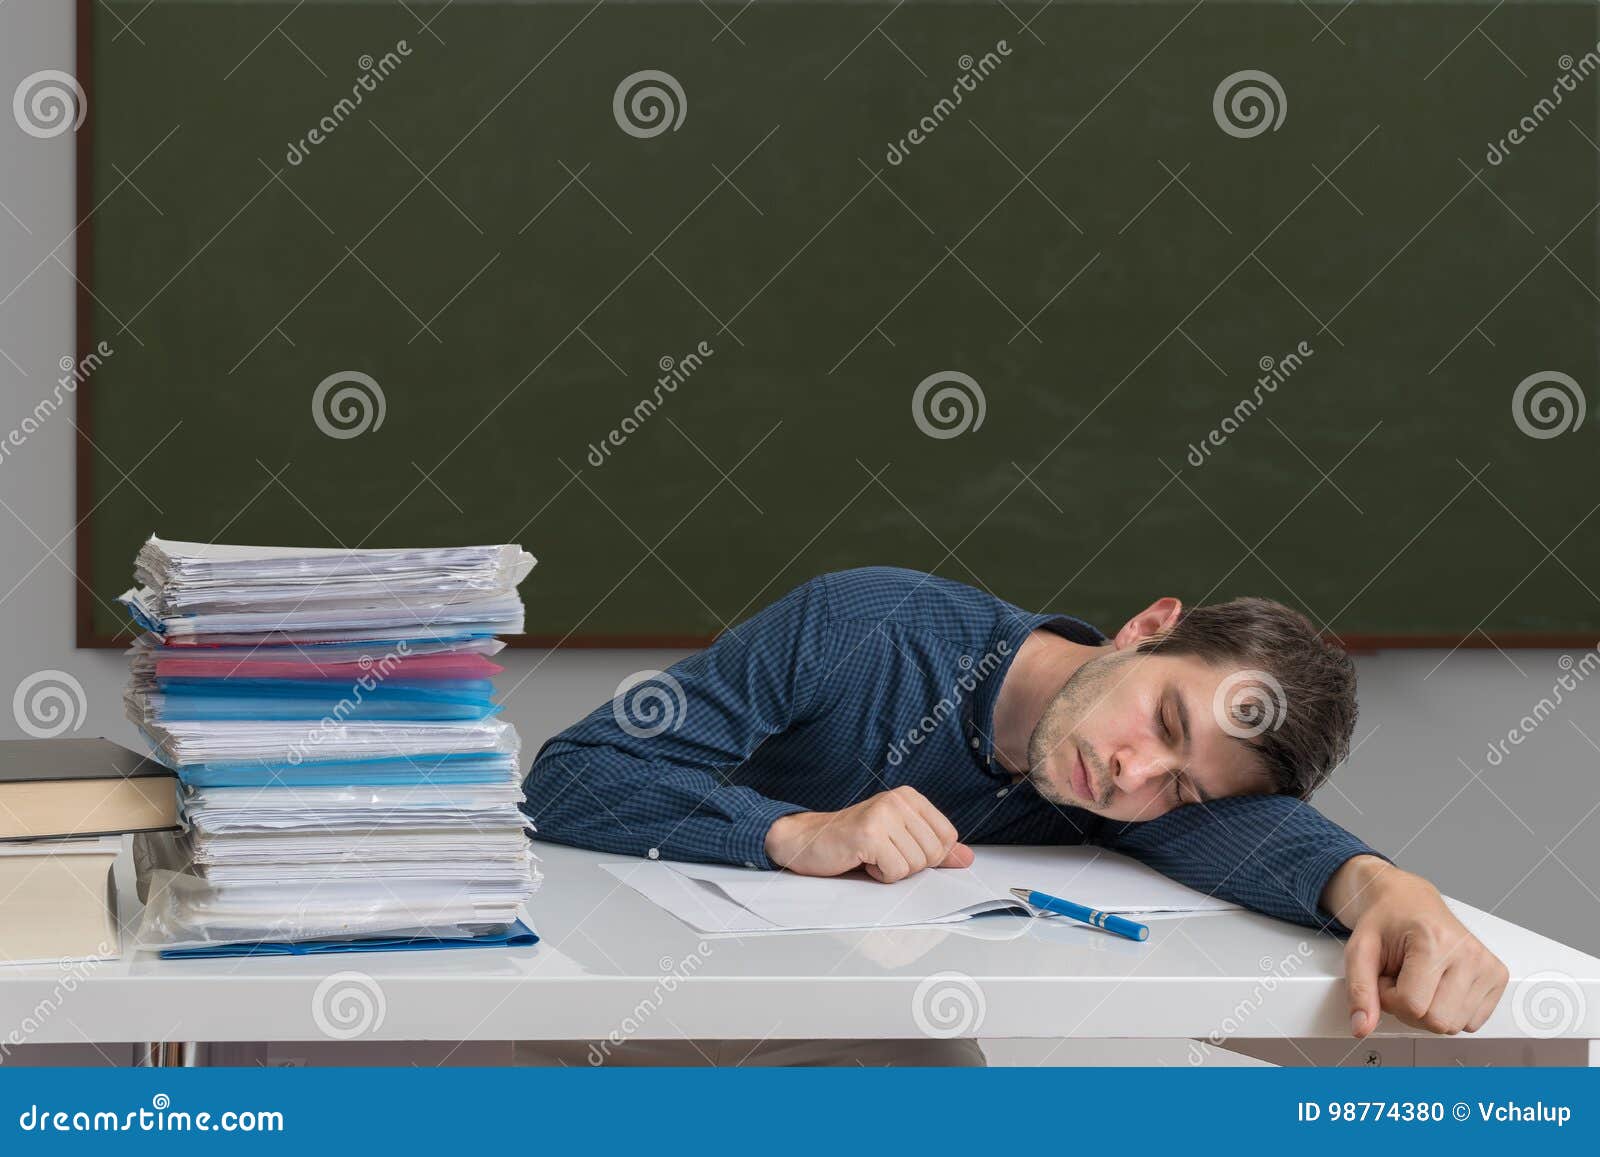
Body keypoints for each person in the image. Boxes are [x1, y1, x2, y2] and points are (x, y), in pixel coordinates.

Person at [518, 567, 1509, 1065]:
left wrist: (1386, 883)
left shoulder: (1121, 801)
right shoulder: (866, 624)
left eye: (1180, 785)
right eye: (1162, 716)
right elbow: (575, 773)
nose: (1130, 772)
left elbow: (1267, 843)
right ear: (1146, 628)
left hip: (859, 1047)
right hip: (641, 1024)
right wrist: (787, 831)